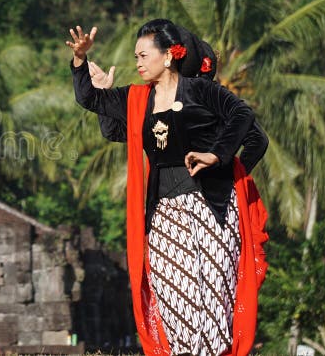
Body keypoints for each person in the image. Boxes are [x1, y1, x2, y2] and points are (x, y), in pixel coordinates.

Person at [67, 20, 268, 356]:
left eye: (143, 55)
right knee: (173, 297)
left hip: (210, 210)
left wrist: (220, 160)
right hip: (164, 213)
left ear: (168, 56)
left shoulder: (200, 91)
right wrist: (80, 62)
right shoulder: (136, 98)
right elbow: (90, 99)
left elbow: (244, 118)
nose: (138, 62)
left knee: (212, 300)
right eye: (135, 57)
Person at [89, 25, 269, 174]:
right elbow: (113, 131)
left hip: (208, 202)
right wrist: (103, 92)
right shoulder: (155, 103)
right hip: (165, 204)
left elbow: (257, 140)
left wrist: (228, 176)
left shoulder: (207, 97)